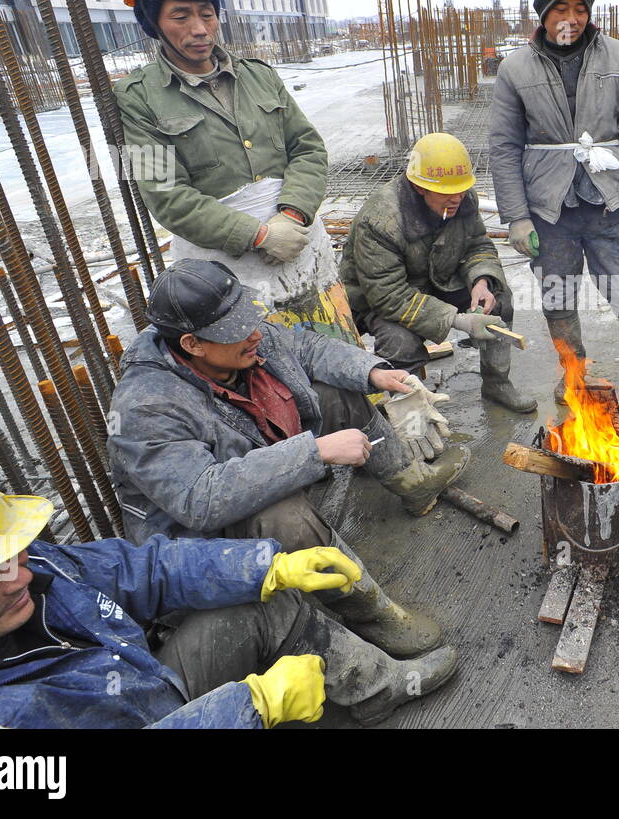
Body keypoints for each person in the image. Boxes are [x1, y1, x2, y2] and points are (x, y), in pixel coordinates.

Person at [107, 260, 468, 662]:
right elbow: (200, 498)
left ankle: (413, 482)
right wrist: (316, 452)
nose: (255, 334)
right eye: (237, 332)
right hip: (203, 546)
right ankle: (369, 612)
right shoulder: (146, 406)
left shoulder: (241, 339)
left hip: (263, 462)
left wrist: (375, 372)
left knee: (340, 392)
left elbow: (307, 348)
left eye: (248, 320)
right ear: (191, 344)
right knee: (285, 514)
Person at [0, 462, 456, 728]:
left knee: (258, 605)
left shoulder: (29, 570)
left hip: (145, 690)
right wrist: (248, 707)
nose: (21, 574)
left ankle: (377, 686)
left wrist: (269, 567)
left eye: (14, 553)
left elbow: (141, 568)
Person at [113, 0, 357, 344]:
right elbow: (165, 195)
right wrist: (258, 235)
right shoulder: (136, 99)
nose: (199, 29)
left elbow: (308, 148)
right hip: (225, 268)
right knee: (267, 370)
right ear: (151, 21)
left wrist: (292, 214)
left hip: (299, 242)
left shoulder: (260, 76)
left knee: (338, 351)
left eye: (206, 14)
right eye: (180, 16)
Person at [489, 0, 619, 408]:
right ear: (543, 11)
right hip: (549, 209)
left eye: (579, 7)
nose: (570, 17)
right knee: (558, 297)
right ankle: (573, 374)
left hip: (606, 204)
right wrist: (517, 218)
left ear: (590, 12)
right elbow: (504, 148)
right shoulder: (515, 68)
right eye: (560, 7)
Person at [341, 132, 536, 413]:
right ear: (420, 188)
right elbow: (388, 296)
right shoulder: (382, 219)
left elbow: (477, 244)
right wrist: (458, 321)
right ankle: (409, 413)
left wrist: (481, 280)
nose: (457, 198)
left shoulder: (461, 196)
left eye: (460, 190)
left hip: (436, 281)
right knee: (401, 342)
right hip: (380, 300)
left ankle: (496, 384)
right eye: (446, 193)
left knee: (498, 298)